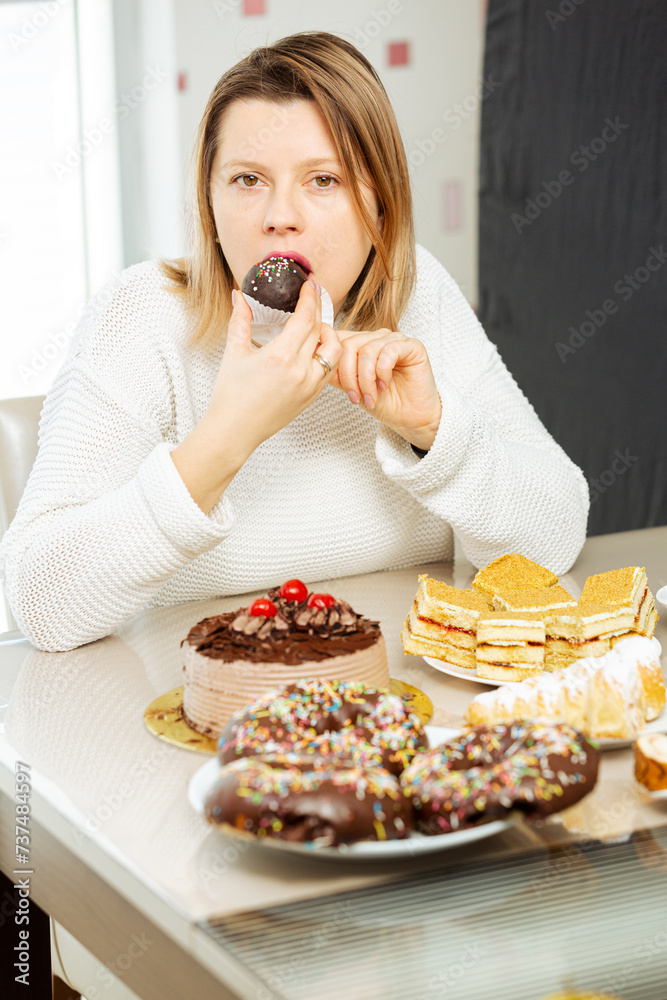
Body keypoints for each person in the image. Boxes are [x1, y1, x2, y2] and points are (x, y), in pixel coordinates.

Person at [0, 32, 588, 652]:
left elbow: (555, 538)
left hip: (398, 702)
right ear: (210, 200)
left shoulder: (417, 294)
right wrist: (226, 435)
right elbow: (41, 604)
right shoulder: (141, 315)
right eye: (248, 179)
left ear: (380, 206)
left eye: (324, 180)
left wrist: (436, 431)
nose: (280, 215)